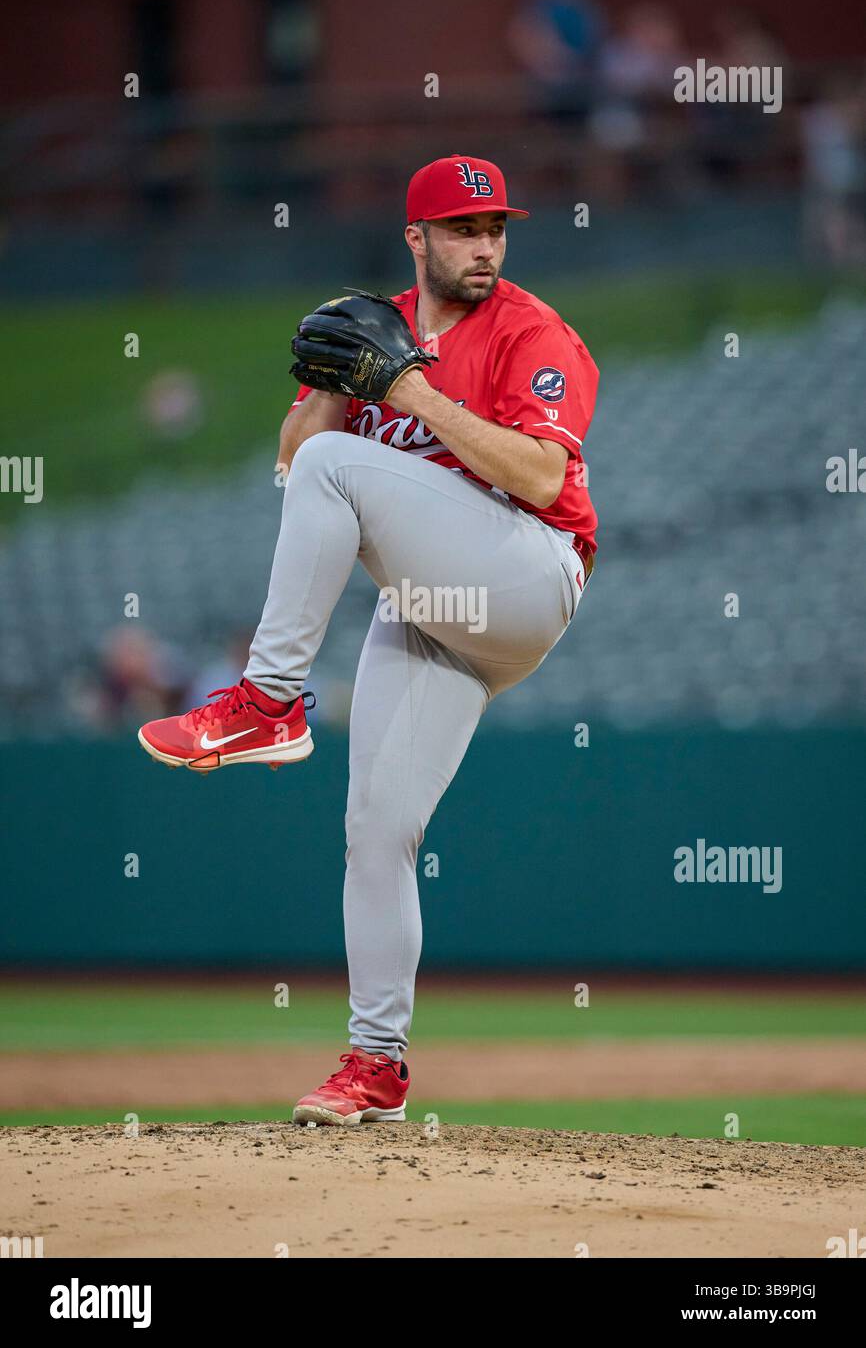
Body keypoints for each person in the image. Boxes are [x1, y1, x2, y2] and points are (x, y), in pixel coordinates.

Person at [138, 154, 600, 1125]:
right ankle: (375, 1066)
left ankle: (265, 702)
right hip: (432, 609)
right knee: (375, 830)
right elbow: (294, 466)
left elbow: (541, 480)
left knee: (344, 468)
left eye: (495, 229)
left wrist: (412, 394)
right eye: (464, 229)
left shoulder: (531, 331)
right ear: (416, 238)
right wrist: (320, 389)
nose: (484, 246)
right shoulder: (376, 324)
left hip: (525, 576)